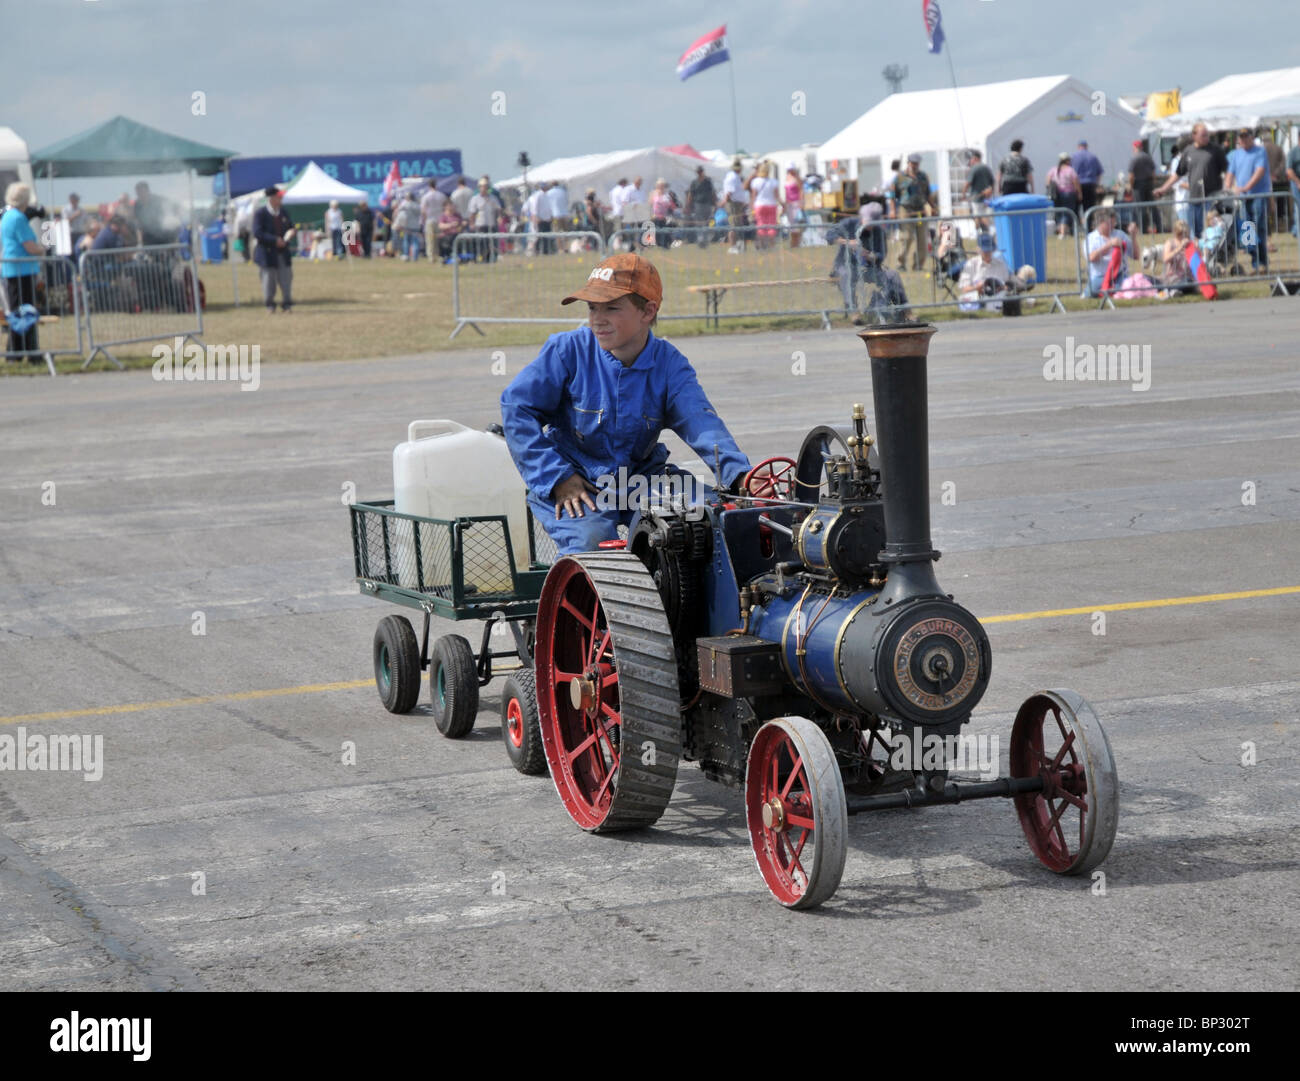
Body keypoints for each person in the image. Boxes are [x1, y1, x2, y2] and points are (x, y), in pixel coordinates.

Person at [500, 253, 751, 554]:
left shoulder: (670, 364)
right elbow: (517, 409)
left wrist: (741, 475)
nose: (597, 318)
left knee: (711, 518)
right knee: (595, 543)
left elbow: (702, 424)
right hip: (576, 482)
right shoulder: (567, 351)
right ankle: (585, 594)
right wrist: (556, 478)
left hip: (642, 479)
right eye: (592, 308)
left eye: (611, 308)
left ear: (648, 311)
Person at [1154, 122, 1226, 238]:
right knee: (1194, 233)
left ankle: (1211, 254)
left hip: (1211, 198)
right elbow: (1177, 174)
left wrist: (1228, 189)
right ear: (1194, 136)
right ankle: (1198, 255)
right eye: (1203, 135)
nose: (1206, 138)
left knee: (1209, 229)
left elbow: (1227, 170)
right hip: (1194, 199)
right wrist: (1163, 188)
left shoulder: (1215, 150)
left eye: (1207, 135)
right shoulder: (1188, 151)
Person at [2, 183, 46, 360]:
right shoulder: (18, 218)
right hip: (21, 271)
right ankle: (27, 353)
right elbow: (29, 246)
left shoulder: (8, 215)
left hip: (15, 270)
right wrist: (43, 248)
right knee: (26, 313)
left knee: (18, 313)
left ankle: (17, 352)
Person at [1225, 127, 1270, 273]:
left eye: (1246, 136)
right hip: (1242, 198)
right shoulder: (1236, 154)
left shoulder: (1260, 151)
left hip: (1257, 196)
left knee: (1259, 227)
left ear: (1251, 137)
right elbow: (1230, 173)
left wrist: (1245, 187)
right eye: (1241, 137)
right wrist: (1226, 189)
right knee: (1247, 230)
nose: (1243, 139)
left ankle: (1261, 263)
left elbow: (1260, 171)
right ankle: (1255, 261)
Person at [253, 185, 293, 313]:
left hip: (283, 252)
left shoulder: (283, 212)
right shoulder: (261, 213)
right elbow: (258, 232)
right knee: (268, 280)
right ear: (271, 198)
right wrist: (275, 240)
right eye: (278, 197)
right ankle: (270, 304)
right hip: (267, 253)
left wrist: (291, 232)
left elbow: (290, 226)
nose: (281, 199)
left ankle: (287, 303)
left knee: (286, 278)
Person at [894, 152, 930, 271]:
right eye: (913, 163)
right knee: (906, 237)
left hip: (920, 210)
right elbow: (893, 194)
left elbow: (927, 193)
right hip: (906, 209)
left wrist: (931, 207)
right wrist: (893, 210)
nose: (915, 165)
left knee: (922, 239)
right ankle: (901, 263)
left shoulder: (923, 176)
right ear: (908, 163)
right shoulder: (900, 176)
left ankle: (918, 265)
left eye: (917, 163)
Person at [958, 232, 1013, 309]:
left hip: (997, 295)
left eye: (989, 250)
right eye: (985, 251)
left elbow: (1008, 285)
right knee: (966, 299)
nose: (987, 253)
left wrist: (1001, 287)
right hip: (977, 296)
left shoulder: (1000, 264)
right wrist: (977, 287)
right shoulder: (971, 264)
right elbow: (964, 289)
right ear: (978, 249)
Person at [1085, 210, 1131, 297]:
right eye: (1109, 223)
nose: (1113, 226)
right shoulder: (1091, 238)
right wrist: (1109, 245)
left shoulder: (1120, 235)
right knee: (1090, 292)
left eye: (1114, 223)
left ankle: (1114, 291)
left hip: (1118, 275)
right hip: (1099, 276)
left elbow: (1135, 255)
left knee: (1127, 286)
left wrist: (1133, 236)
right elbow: (1091, 258)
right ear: (1100, 223)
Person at [467, 177, 502, 262]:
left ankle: (491, 258)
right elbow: (472, 213)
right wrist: (471, 223)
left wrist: (499, 217)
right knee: (481, 243)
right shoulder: (475, 199)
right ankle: (481, 258)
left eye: (486, 187)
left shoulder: (493, 198)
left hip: (491, 224)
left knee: (492, 242)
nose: (484, 189)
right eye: (482, 187)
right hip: (480, 225)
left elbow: (498, 209)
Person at [1129, 139, 1160, 234]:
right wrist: (1153, 183)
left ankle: (1143, 228)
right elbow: (1154, 172)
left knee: (1140, 208)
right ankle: (1158, 226)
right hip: (1149, 183)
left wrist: (1131, 186)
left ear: (1134, 148)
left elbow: (1131, 175)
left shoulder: (1134, 159)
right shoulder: (1148, 157)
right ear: (1141, 147)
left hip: (1138, 185)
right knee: (1152, 207)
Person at [1046, 152, 1080, 237]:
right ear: (1067, 161)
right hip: (1069, 194)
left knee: (1059, 213)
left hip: (1057, 195)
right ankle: (1063, 232)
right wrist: (1079, 193)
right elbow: (1075, 182)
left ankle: (1060, 230)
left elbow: (1047, 181)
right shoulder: (1070, 170)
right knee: (1067, 213)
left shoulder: (1054, 169)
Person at [749, 162, 781, 250]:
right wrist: (782, 204)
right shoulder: (774, 182)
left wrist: (751, 207)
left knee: (761, 225)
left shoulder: (755, 181)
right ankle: (771, 245)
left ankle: (762, 245)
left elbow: (753, 196)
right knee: (771, 226)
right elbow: (777, 196)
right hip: (771, 205)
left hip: (759, 205)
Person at [962, 150, 995, 232]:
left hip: (977, 199)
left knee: (978, 218)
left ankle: (979, 234)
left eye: (971, 159)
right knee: (987, 217)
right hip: (987, 199)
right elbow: (993, 182)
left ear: (975, 158)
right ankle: (988, 233)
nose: (970, 161)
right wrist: (991, 191)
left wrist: (963, 195)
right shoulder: (986, 168)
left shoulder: (974, 168)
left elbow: (967, 184)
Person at [685, 166, 716, 247]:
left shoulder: (708, 181)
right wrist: (688, 206)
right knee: (699, 222)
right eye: (698, 172)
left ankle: (705, 240)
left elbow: (712, 193)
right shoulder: (694, 182)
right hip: (698, 204)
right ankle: (700, 240)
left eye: (700, 171)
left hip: (707, 204)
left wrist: (715, 204)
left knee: (706, 222)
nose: (699, 173)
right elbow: (690, 194)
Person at [1071, 140, 1103, 217]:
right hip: (1090, 185)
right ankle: (1088, 226)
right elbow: (1099, 173)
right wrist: (1097, 185)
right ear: (1086, 146)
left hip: (1077, 186)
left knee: (1075, 209)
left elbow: (1070, 173)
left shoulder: (1074, 157)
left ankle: (1076, 226)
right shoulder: (1093, 156)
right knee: (1089, 208)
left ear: (1078, 147)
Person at [722, 160, 748, 252]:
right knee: (733, 225)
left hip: (737, 204)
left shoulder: (736, 177)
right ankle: (733, 247)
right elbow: (729, 192)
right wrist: (724, 201)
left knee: (738, 225)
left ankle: (738, 246)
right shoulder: (732, 177)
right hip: (733, 203)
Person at [420, 180, 446, 265]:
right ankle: (438, 255)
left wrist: (423, 220)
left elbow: (423, 210)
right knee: (438, 239)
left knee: (430, 240)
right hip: (439, 219)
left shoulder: (426, 196)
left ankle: (431, 257)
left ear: (429, 186)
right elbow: (444, 207)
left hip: (430, 220)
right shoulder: (441, 195)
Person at [525, 183, 554, 254]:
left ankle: (546, 251)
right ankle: (537, 251)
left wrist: (551, 216)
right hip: (540, 219)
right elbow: (535, 208)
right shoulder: (537, 195)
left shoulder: (548, 195)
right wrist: (536, 218)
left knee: (547, 236)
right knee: (539, 236)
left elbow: (549, 207)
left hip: (547, 219)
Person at [783, 164, 805, 248]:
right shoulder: (787, 177)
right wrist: (785, 204)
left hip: (796, 204)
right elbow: (786, 192)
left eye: (791, 169)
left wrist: (801, 203)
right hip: (789, 204)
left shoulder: (797, 178)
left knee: (796, 225)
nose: (789, 171)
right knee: (791, 225)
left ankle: (797, 243)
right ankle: (793, 243)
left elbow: (801, 190)